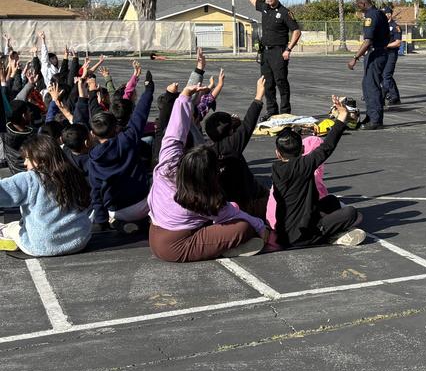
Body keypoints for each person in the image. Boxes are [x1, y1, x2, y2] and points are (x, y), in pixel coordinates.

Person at [147, 85, 268, 262]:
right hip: (175, 247)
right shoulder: (200, 197)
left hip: (155, 233)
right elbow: (235, 215)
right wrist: (262, 228)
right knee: (244, 227)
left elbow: (174, 132)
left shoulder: (166, 166)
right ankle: (221, 247)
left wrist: (184, 97)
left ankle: (214, 243)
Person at [270, 97, 365, 248]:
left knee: (331, 201)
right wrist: (341, 117)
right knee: (351, 213)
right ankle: (330, 235)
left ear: (277, 154)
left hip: (283, 232)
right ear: (302, 150)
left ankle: (327, 228)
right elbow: (328, 146)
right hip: (302, 235)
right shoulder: (305, 164)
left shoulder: (276, 168)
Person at [0, 134, 91, 256]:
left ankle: (6, 234)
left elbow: (3, 193)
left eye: (27, 158)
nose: (25, 163)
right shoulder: (72, 173)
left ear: (41, 158)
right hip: (79, 240)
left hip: (43, 245)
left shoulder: (30, 179)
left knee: (12, 227)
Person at [86, 71, 155, 228]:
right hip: (143, 203)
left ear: (92, 135)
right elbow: (140, 114)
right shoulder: (128, 138)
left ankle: (118, 223)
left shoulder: (94, 159)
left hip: (116, 209)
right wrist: (148, 90)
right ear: (116, 128)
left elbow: (96, 193)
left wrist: (101, 221)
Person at [235, 0, 301, 119]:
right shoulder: (265, 8)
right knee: (267, 83)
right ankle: (272, 112)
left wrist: (288, 49)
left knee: (281, 82)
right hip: (265, 52)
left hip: (279, 52)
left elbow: (296, 31)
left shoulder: (285, 12)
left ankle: (285, 112)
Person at [205, 75, 268, 216]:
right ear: (230, 131)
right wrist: (258, 96)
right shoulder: (232, 146)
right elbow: (248, 124)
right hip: (246, 202)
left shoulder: (206, 152)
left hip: (223, 204)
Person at [347, 0, 390, 130]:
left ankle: (375, 120)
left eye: (359, 5)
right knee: (368, 84)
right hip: (379, 52)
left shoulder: (371, 16)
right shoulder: (380, 13)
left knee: (371, 86)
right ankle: (371, 116)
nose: (359, 8)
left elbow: (367, 41)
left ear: (363, 4)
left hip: (375, 53)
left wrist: (355, 57)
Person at [382, 5, 402, 106]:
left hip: (391, 53)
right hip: (382, 54)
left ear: (389, 15)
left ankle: (382, 95)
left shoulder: (395, 26)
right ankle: (395, 97)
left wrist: (386, 45)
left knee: (386, 76)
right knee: (385, 76)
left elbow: (398, 42)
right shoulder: (381, 26)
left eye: (385, 14)